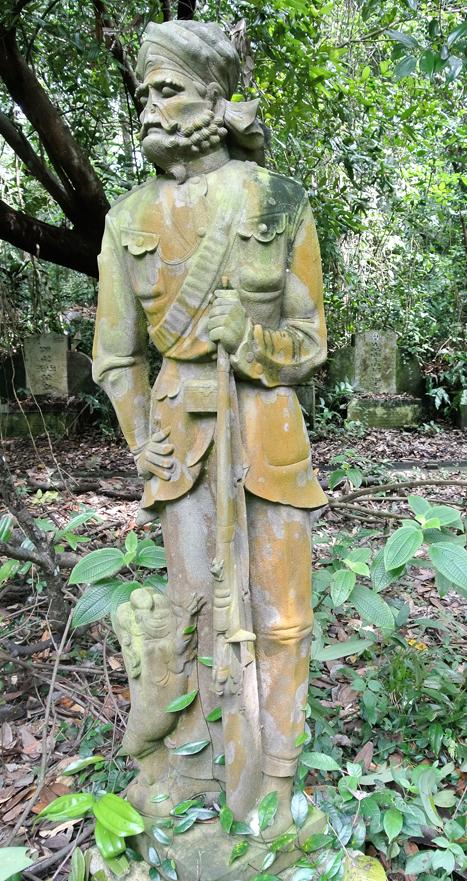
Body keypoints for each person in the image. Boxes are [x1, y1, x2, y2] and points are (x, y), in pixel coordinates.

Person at [92, 19, 327, 838]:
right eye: (145, 93)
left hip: (267, 433)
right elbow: (115, 356)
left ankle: (277, 780)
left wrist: (250, 337)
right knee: (194, 610)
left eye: (169, 90)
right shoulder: (125, 219)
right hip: (179, 446)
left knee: (282, 613)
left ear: (213, 100)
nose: (151, 107)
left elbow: (311, 340)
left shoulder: (278, 199)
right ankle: (194, 763)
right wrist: (136, 438)